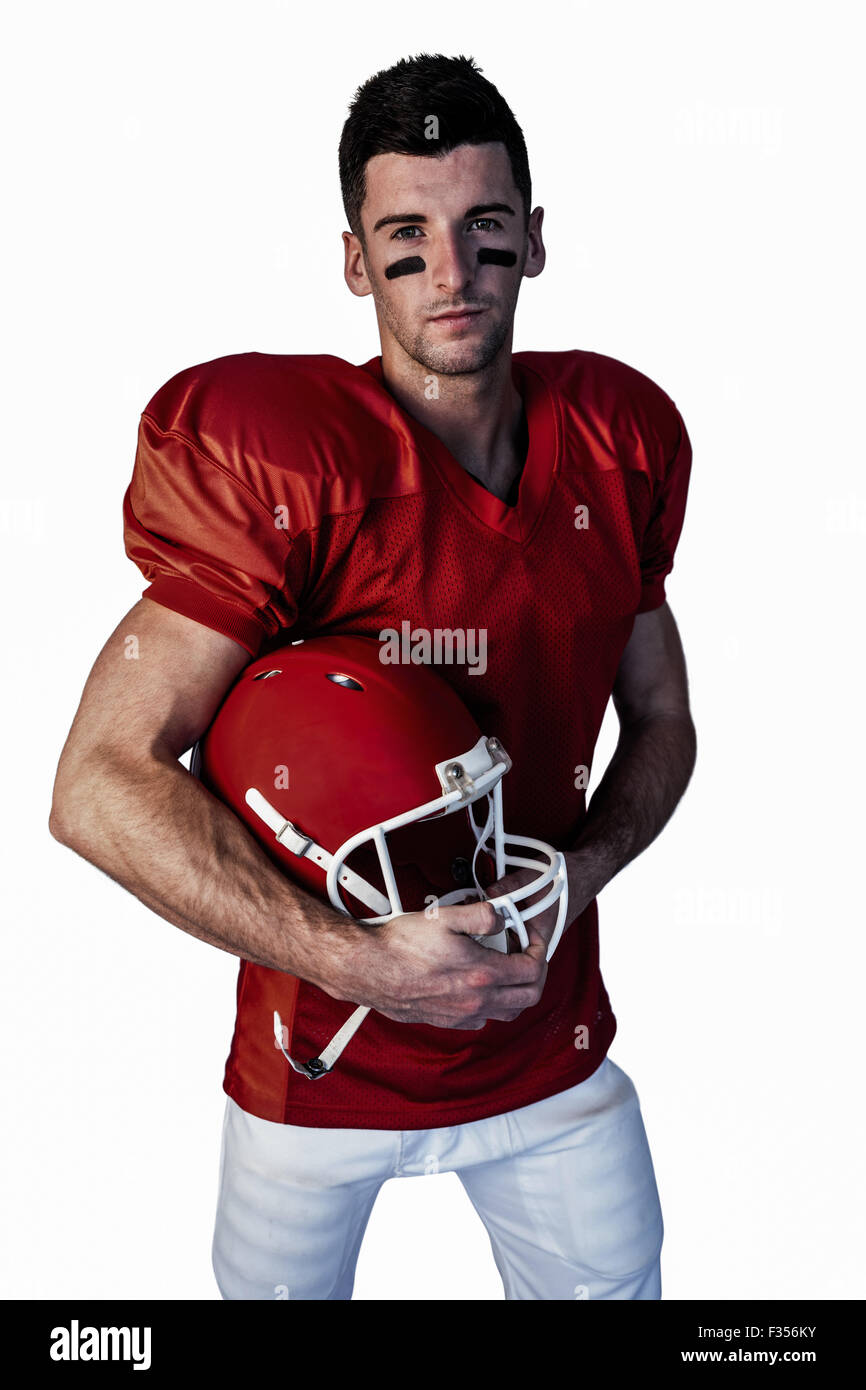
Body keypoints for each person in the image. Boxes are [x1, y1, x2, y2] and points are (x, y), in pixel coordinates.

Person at [49, 53, 696, 1301]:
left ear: (534, 241)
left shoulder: (619, 439)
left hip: (546, 1047)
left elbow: (661, 714)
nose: (449, 272)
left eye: (482, 227)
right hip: (319, 1060)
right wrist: (356, 960)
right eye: (406, 235)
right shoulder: (286, 465)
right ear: (355, 261)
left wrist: (586, 867)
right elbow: (96, 783)